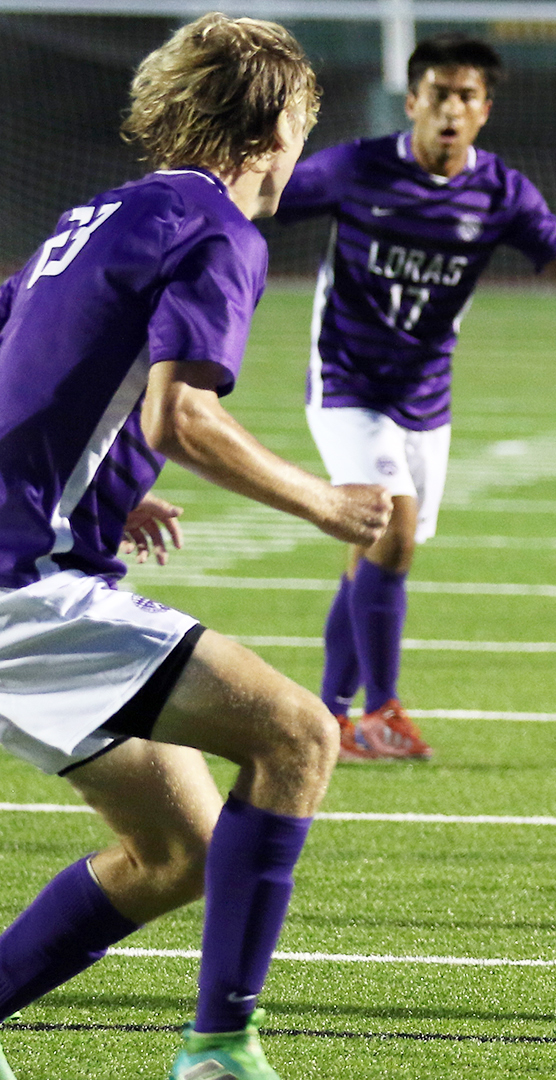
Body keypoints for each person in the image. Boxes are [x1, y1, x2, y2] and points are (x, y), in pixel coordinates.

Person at [0, 15, 392, 1079]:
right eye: (303, 120)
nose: (304, 143)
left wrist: (98, 489)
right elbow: (182, 417)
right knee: (299, 736)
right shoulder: (219, 230)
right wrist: (323, 501)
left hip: (24, 570)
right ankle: (219, 1049)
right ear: (272, 128)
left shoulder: (95, 216)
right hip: (31, 588)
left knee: (180, 853)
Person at [277, 34, 556, 762]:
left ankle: (328, 718)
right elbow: (265, 199)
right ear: (412, 102)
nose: (450, 109)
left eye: (465, 97)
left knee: (371, 553)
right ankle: (381, 712)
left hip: (425, 397)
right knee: (392, 528)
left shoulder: (499, 191)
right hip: (347, 383)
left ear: (484, 110)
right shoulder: (359, 167)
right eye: (438, 95)